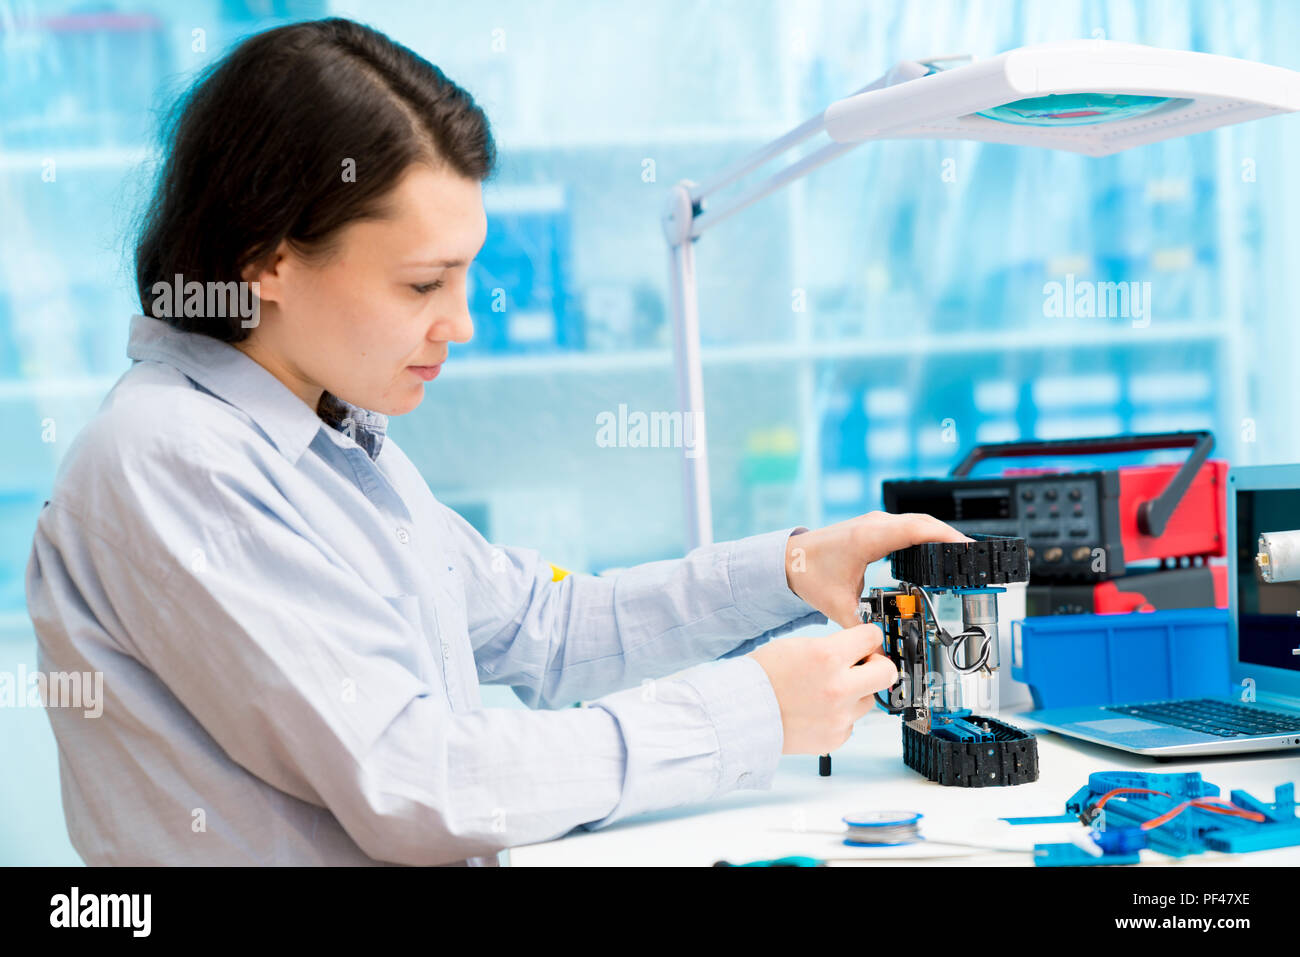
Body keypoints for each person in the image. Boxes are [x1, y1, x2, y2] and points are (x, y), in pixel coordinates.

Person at [25, 17, 965, 866]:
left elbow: (544, 628)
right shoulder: (171, 460)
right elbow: (420, 780)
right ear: (268, 261)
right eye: (422, 285)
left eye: (467, 276)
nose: (462, 324)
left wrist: (793, 567)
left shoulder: (332, 432)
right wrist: (751, 709)